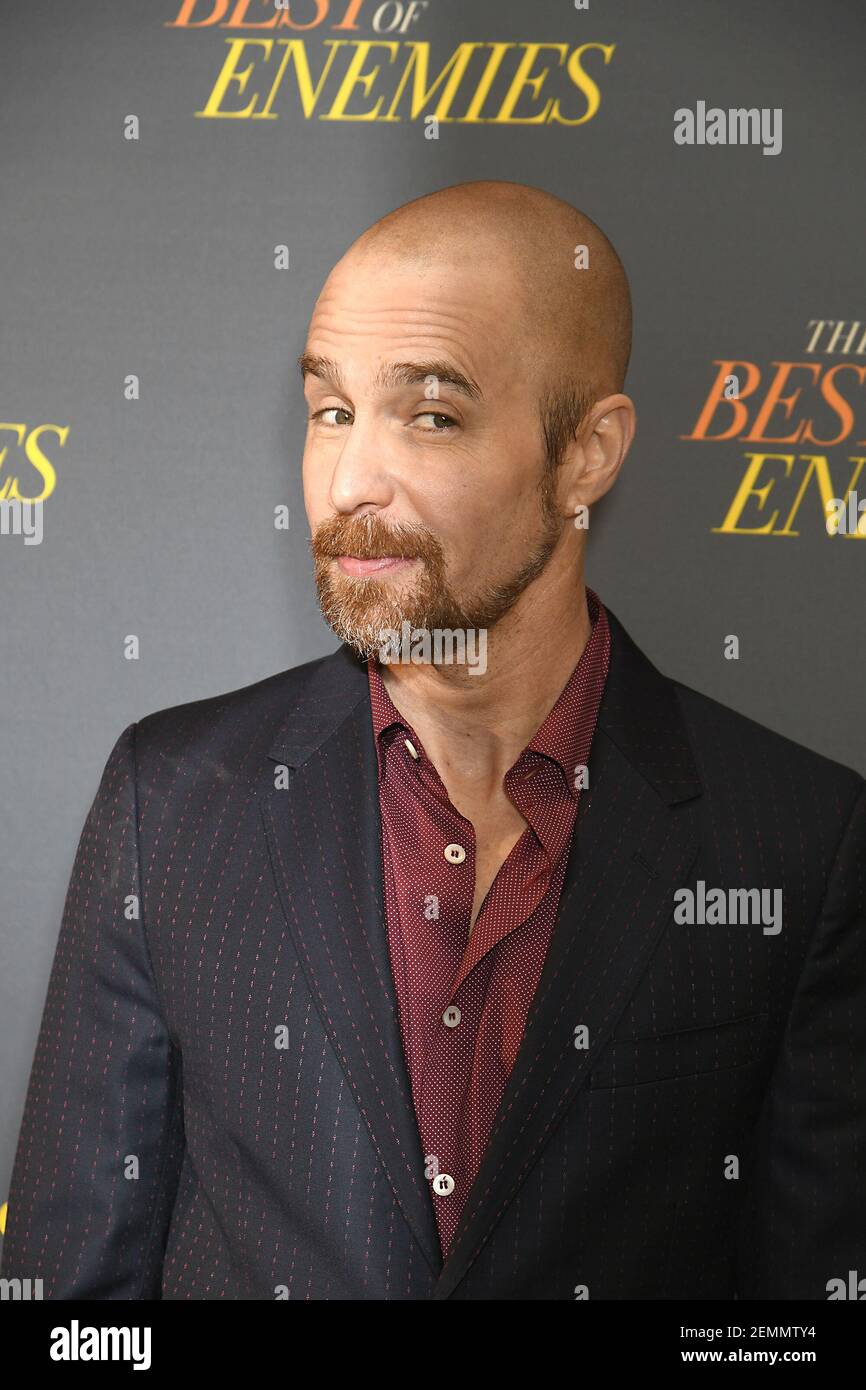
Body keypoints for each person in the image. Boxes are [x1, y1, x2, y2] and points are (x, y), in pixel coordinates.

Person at [2, 180, 864, 1300]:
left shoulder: (794, 840)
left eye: (432, 414)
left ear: (587, 455)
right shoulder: (170, 801)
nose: (351, 480)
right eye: (327, 410)